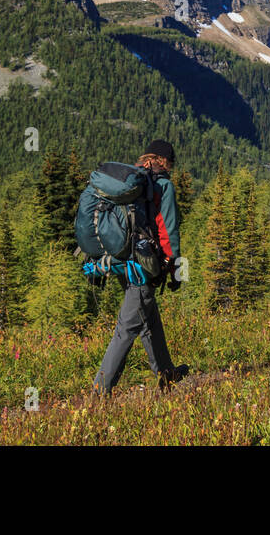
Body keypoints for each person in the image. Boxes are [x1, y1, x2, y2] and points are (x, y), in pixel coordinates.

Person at [93, 138, 189, 395]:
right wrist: (175, 269)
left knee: (148, 318)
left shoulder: (131, 180)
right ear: (166, 161)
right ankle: (99, 392)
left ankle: (166, 373)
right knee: (127, 328)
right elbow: (168, 231)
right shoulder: (162, 185)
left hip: (122, 261)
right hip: (144, 264)